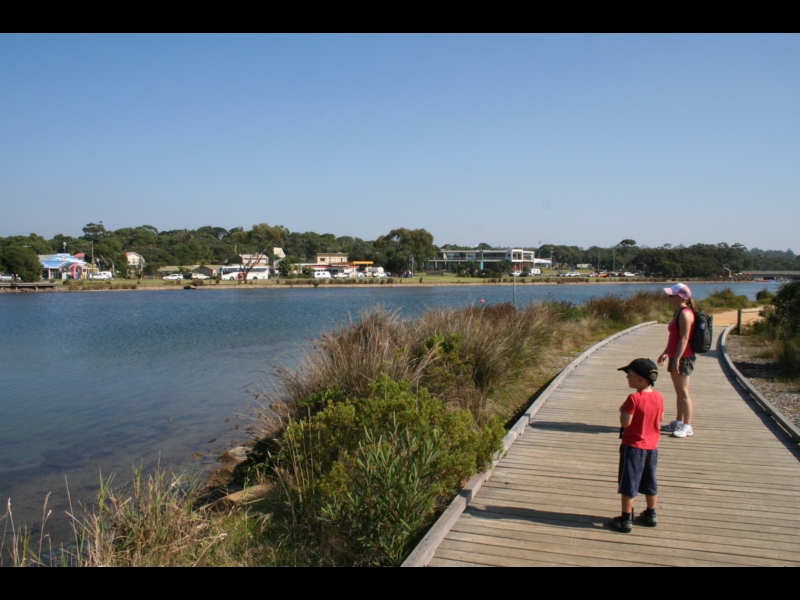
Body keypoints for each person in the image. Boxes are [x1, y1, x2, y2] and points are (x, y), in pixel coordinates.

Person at [609, 358, 664, 533]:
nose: (627, 377)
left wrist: (623, 410)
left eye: (630, 375)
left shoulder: (633, 398)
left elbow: (625, 423)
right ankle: (651, 514)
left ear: (641, 379)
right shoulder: (659, 396)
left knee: (629, 483)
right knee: (650, 481)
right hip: (652, 447)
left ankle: (626, 519)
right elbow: (660, 418)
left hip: (633, 447)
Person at [658, 283, 697, 438]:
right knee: (679, 392)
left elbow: (684, 338)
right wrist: (666, 352)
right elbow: (674, 337)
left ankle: (687, 426)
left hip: (684, 358)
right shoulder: (678, 312)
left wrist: (678, 359)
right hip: (676, 356)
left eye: (671, 295)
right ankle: (679, 421)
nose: (668, 297)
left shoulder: (685, 314)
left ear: (680, 297)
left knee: (684, 392)